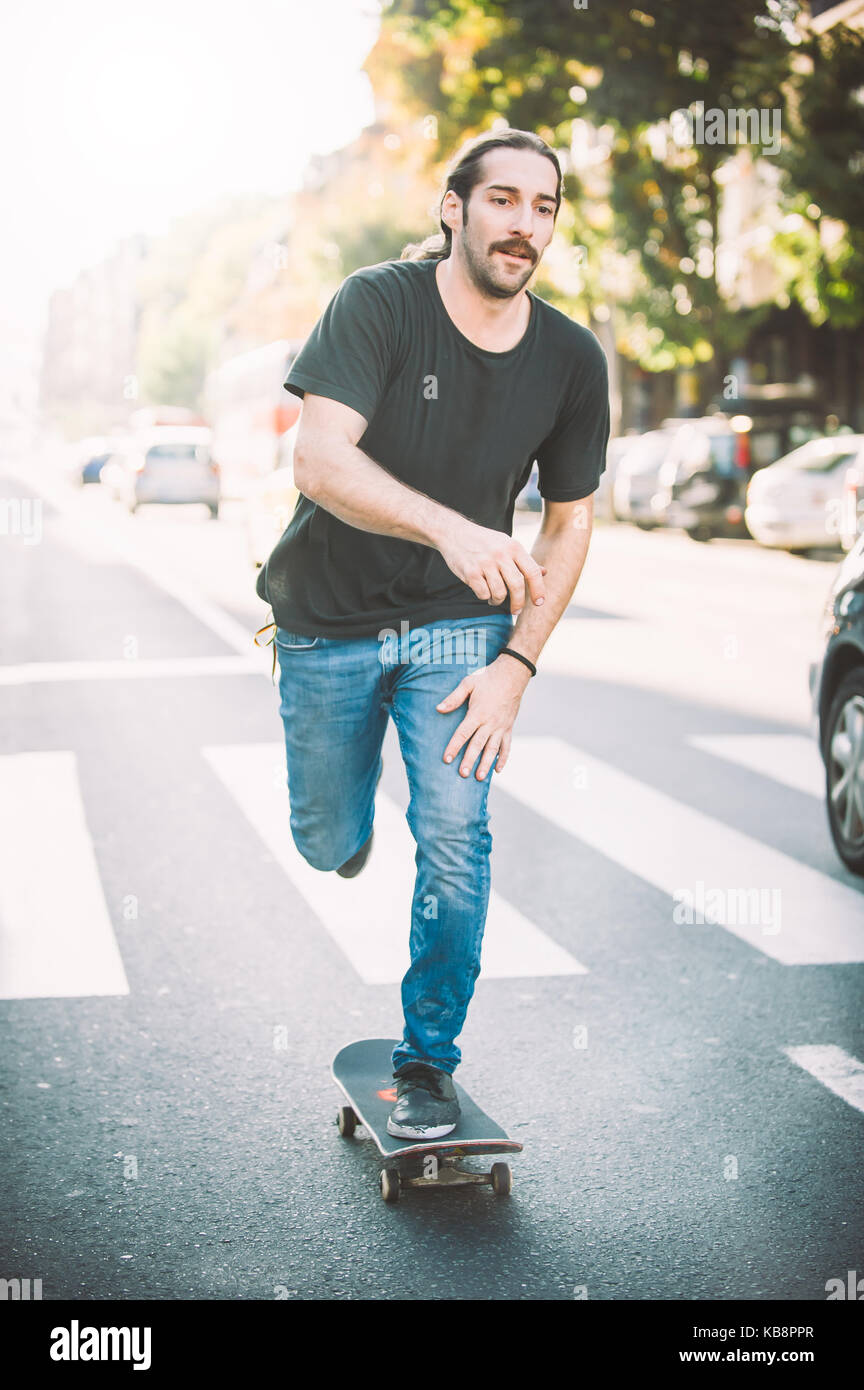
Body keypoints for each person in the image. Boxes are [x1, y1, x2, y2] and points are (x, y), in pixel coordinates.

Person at [255, 127, 610, 1139]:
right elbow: (320, 462)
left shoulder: (570, 359)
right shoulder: (377, 304)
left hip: (462, 631)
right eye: (503, 200)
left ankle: (427, 1060)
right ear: (453, 209)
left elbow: (573, 518)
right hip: (327, 619)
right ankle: (349, 819)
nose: (524, 224)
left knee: (456, 836)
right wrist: (453, 527)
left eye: (543, 207)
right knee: (326, 839)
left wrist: (518, 663)